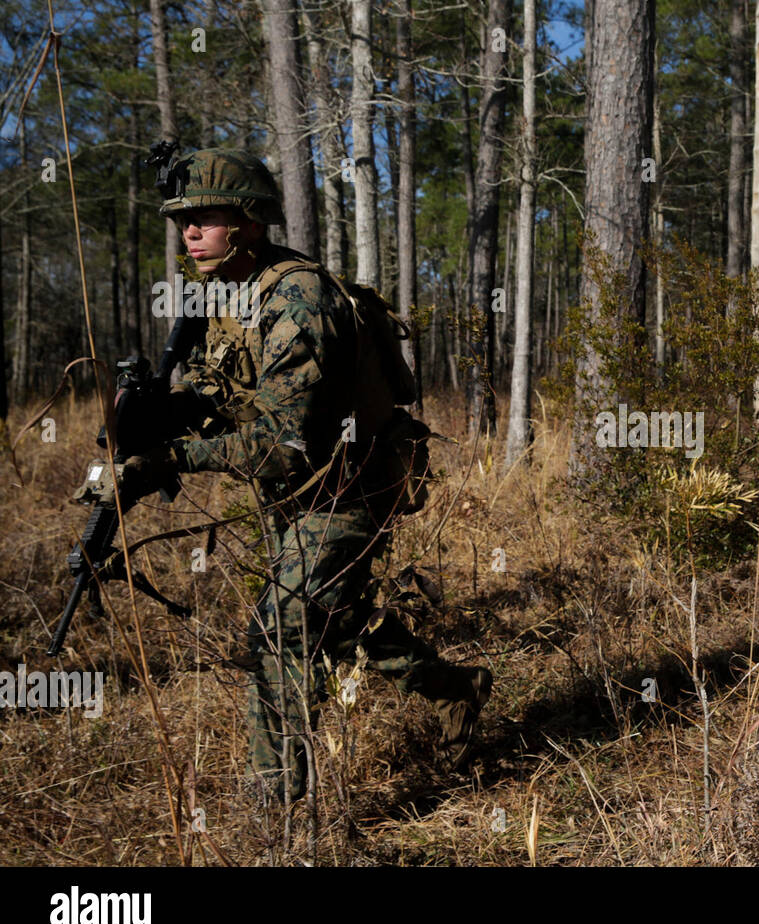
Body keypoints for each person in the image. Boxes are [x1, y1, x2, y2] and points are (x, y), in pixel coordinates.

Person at [119, 146, 491, 803]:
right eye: (183, 219)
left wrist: (175, 459)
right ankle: (454, 689)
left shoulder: (299, 299)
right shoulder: (231, 296)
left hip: (353, 481)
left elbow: (283, 445)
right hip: (302, 491)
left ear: (250, 223)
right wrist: (166, 417)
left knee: (281, 623)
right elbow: (222, 395)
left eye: (204, 216)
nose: (189, 231)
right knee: (337, 619)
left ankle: (279, 803)